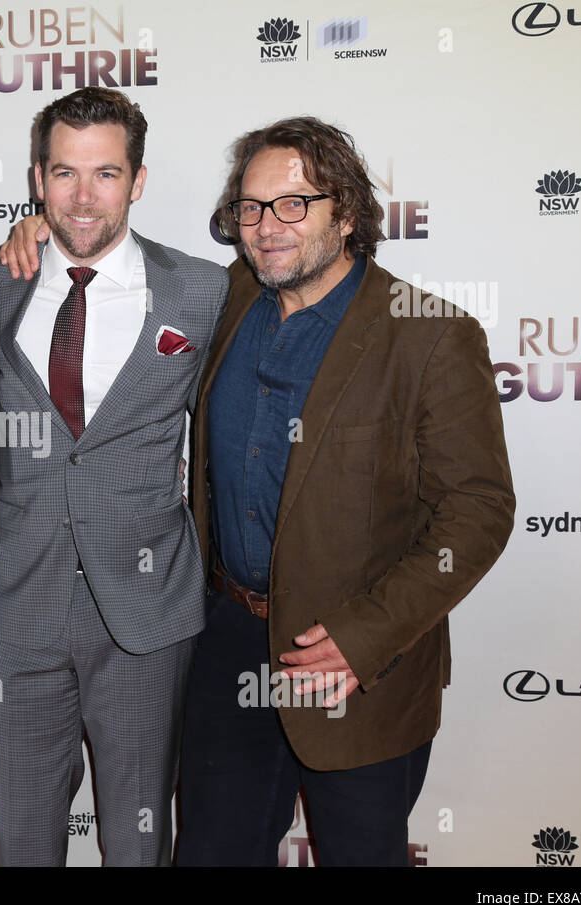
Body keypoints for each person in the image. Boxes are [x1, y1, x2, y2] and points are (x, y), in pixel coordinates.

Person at [179, 117, 515, 865]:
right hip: (229, 639)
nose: (267, 228)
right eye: (252, 206)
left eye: (294, 204)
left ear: (350, 214)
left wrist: (365, 639)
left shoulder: (429, 335)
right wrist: (33, 240)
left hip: (356, 664)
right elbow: (120, 271)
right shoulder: (231, 296)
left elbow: (480, 510)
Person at [0, 87, 228, 866]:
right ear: (37, 180)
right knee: (20, 842)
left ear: (138, 181)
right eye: (65, 174)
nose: (83, 197)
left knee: (140, 841)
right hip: (23, 610)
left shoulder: (203, 291)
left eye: (106, 174)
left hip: (147, 613)